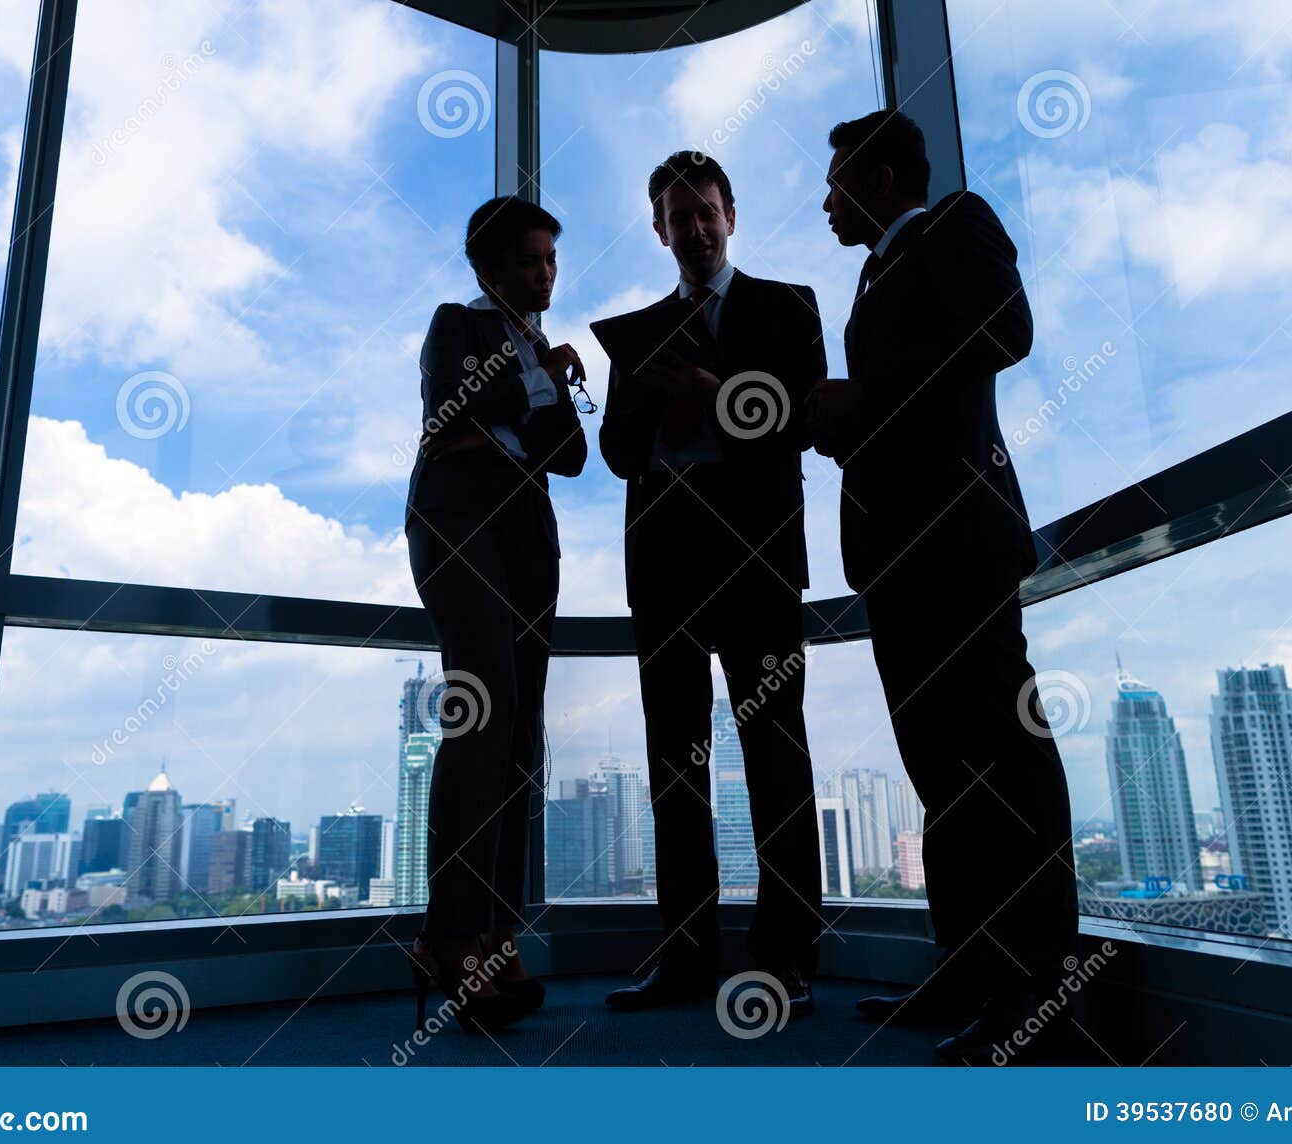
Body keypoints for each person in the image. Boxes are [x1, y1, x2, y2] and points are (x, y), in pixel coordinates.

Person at [806, 110, 1080, 1061]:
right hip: (899, 551)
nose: (824, 199)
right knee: (943, 771)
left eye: (837, 180)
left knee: (1002, 760)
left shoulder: (953, 221)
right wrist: (835, 417)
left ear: (882, 179)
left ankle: (1038, 990)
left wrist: (861, 398)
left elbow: (1004, 331)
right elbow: (902, 403)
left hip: (957, 538)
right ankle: (971, 968)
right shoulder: (875, 270)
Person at [599, 151, 824, 1014]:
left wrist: (713, 392)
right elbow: (619, 455)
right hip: (664, 570)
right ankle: (686, 957)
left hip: (758, 562)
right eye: (677, 216)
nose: (694, 227)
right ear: (659, 231)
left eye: (706, 211)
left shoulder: (786, 306)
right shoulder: (637, 333)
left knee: (777, 756)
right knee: (674, 766)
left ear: (731, 214)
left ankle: (786, 958)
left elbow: (804, 418)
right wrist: (662, 406)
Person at [403, 195, 589, 1033]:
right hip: (457, 520)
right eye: (527, 263)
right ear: (487, 269)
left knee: (521, 731)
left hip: (526, 534)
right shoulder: (457, 322)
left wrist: (503, 409)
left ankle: (495, 927)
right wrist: (537, 384)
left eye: (550, 260)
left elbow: (573, 455)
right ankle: (450, 932)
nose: (544, 275)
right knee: (486, 707)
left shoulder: (537, 347)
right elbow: (451, 406)